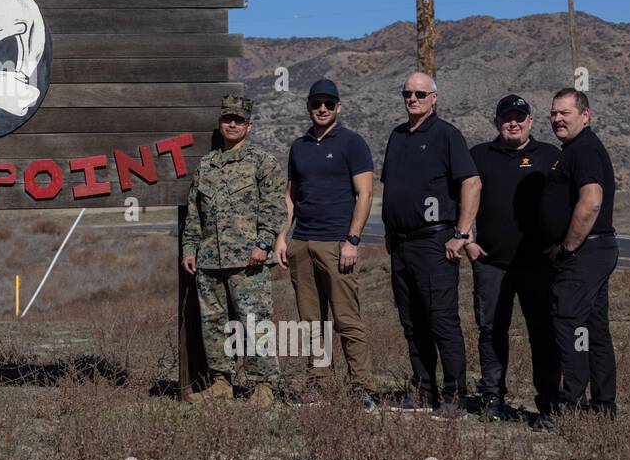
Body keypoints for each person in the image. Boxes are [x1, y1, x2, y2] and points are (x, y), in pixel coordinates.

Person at [380, 72, 481, 418]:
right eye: (407, 93)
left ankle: (455, 397)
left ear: (434, 97)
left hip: (435, 243)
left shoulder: (447, 135)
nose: (413, 99)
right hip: (402, 245)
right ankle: (424, 390)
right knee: (412, 321)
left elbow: (471, 183)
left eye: (420, 94)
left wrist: (462, 233)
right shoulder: (396, 136)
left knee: (441, 320)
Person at [273, 78, 376, 408]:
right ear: (308, 106)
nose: (322, 108)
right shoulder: (298, 147)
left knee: (347, 319)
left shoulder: (352, 143)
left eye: (328, 104)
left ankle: (362, 386)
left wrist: (352, 240)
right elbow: (290, 197)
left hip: (336, 244)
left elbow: (365, 194)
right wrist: (281, 237)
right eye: (316, 103)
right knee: (310, 321)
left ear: (338, 107)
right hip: (302, 243)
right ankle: (319, 383)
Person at [181, 94, 285, 407]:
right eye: (227, 118)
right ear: (220, 122)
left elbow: (275, 206)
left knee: (255, 321)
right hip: (210, 260)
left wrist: (263, 243)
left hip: (249, 260)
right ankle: (221, 383)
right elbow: (194, 212)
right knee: (214, 323)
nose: (232, 124)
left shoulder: (262, 162)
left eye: (239, 120)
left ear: (249, 125)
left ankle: (263, 387)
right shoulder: (206, 165)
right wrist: (190, 248)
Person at [466, 95, 561, 423]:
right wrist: (467, 239)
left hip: (538, 263)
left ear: (531, 121)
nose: (514, 122)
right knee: (491, 329)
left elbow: (569, 198)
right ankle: (492, 397)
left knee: (543, 331)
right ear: (496, 122)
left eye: (520, 117)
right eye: (507, 117)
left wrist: (561, 242)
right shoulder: (479, 155)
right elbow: (461, 197)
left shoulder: (550, 156)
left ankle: (549, 402)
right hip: (491, 261)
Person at [538, 88, 618, 428]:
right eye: (553, 113)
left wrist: (568, 246)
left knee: (569, 322)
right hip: (592, 252)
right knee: (593, 327)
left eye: (564, 113)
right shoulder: (573, 149)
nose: (557, 118)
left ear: (585, 116)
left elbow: (591, 201)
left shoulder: (583, 149)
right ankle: (603, 407)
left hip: (585, 253)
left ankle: (569, 408)